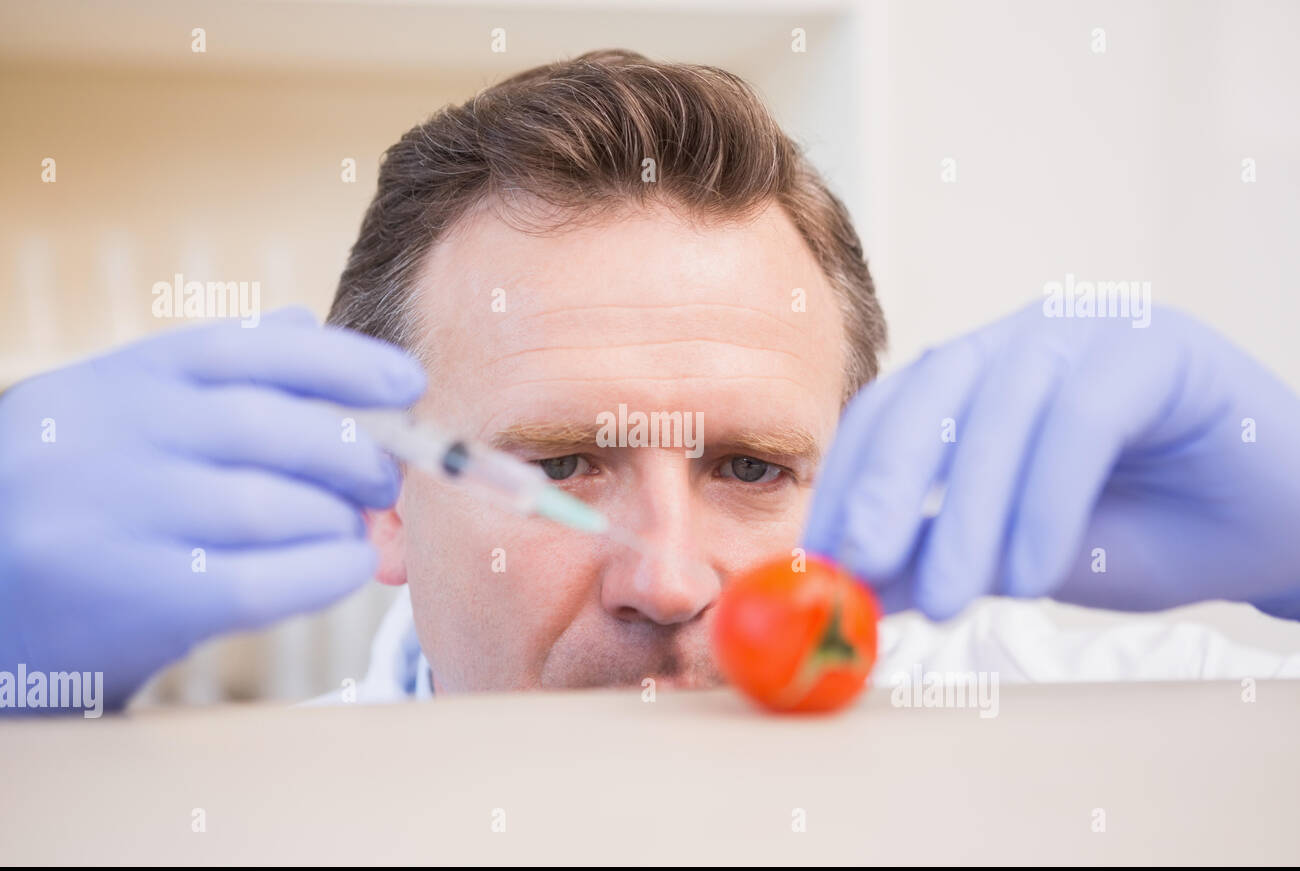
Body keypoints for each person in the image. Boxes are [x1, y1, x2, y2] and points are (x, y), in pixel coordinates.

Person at [2, 51, 1298, 713]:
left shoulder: (1059, 725)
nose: (669, 584)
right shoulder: (239, 823)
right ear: (388, 496)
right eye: (562, 462)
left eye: (752, 467)